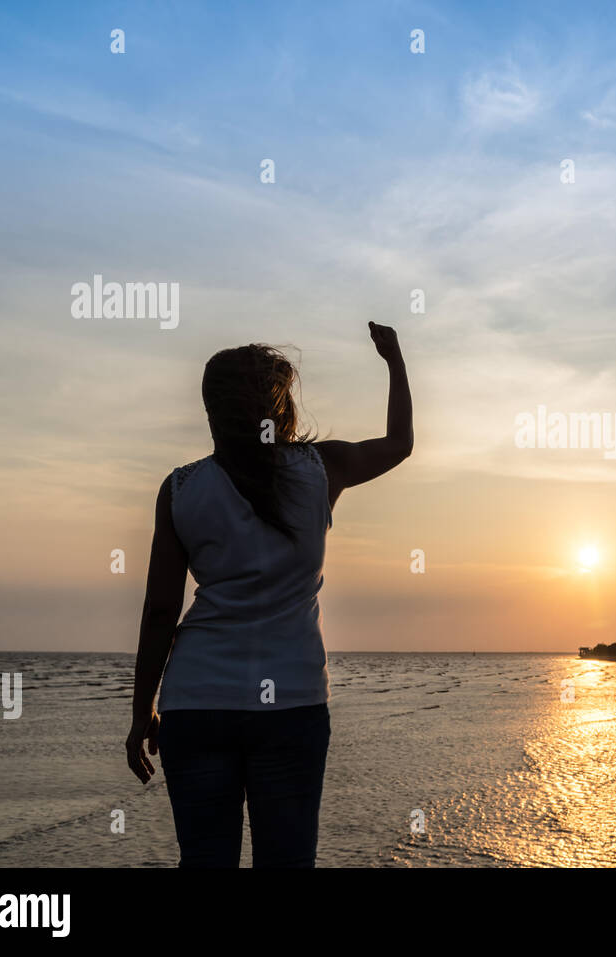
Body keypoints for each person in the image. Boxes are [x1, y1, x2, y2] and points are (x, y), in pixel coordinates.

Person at [125, 322, 413, 867]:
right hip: (292, 705)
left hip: (196, 703)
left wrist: (143, 710)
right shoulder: (322, 469)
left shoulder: (181, 488)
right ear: (280, 405)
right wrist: (394, 360)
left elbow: (161, 610)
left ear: (212, 410)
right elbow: (400, 444)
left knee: (205, 861)